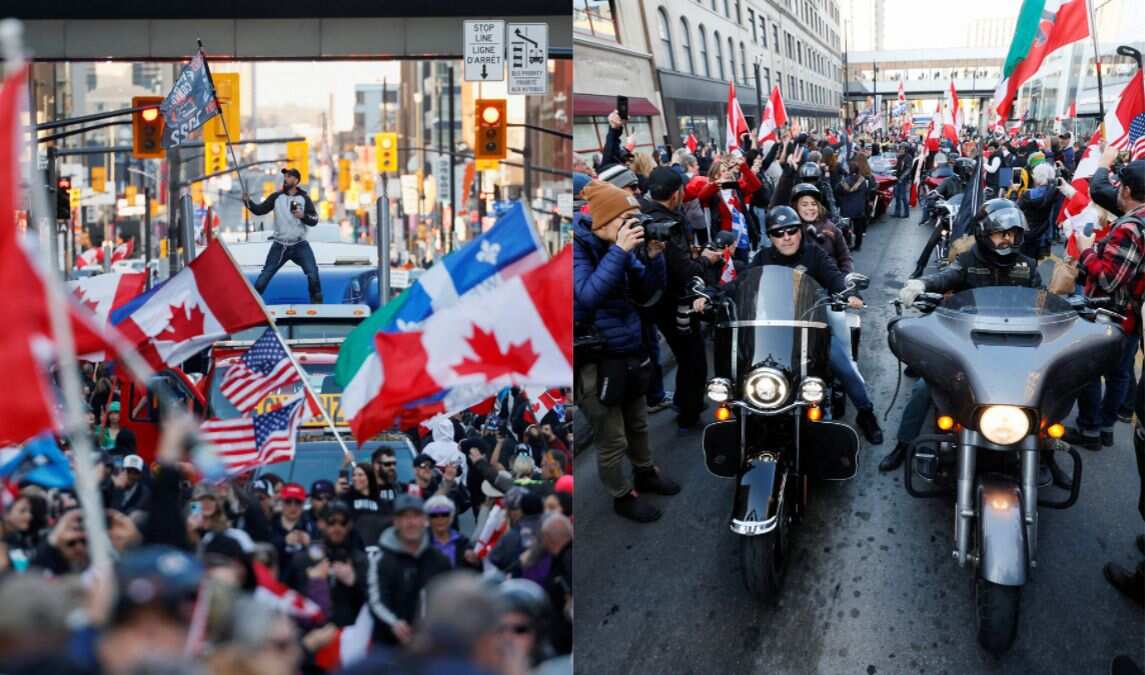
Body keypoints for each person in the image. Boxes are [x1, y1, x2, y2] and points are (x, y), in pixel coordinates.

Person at [884, 200, 1051, 478]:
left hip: (1016, 349)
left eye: (1013, 233)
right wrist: (922, 284)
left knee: (1044, 393)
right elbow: (947, 276)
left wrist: (1067, 306)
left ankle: (1047, 456)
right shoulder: (968, 261)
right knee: (924, 389)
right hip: (970, 347)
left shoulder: (1027, 266)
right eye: (1001, 233)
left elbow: (1044, 300)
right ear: (986, 234)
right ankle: (903, 444)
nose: (1007, 239)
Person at [716, 206, 884, 444]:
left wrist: (848, 294)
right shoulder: (763, 257)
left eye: (791, 230)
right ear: (771, 237)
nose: (786, 237)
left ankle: (866, 413)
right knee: (741, 369)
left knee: (843, 366)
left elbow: (834, 278)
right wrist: (713, 294)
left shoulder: (814, 254)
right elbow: (739, 285)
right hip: (772, 329)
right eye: (778, 233)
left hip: (810, 330)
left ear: (800, 231)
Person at [574, 179, 681, 523]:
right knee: (611, 437)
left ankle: (645, 471)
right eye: (626, 220)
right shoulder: (574, 248)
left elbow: (649, 290)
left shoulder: (616, 243)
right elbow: (586, 297)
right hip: (594, 360)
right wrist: (620, 251)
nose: (632, 228)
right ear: (603, 221)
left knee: (637, 421)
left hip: (627, 349)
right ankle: (621, 494)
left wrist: (652, 257)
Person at [1064, 160, 1145, 451]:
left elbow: (1110, 279)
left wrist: (1086, 251)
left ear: (1125, 190)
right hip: (1133, 316)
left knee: (1088, 371)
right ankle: (1105, 426)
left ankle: (1090, 429)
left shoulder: (1131, 228)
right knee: (1120, 372)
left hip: (1112, 315)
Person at [642, 166, 711, 433]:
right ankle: (688, 413)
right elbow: (684, 270)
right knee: (693, 358)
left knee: (687, 355)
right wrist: (707, 259)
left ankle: (685, 401)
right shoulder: (663, 225)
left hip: (662, 301)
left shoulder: (653, 216)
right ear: (675, 195)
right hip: (673, 302)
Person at [364, 494, 453, 647]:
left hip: (430, 645)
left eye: (416, 516)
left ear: (425, 520)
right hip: (389, 645)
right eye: (404, 517)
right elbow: (375, 600)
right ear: (396, 522)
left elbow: (448, 600)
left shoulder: (439, 560)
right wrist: (395, 624)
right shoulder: (381, 560)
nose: (410, 523)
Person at [243, 167, 322, 303]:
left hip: (300, 244)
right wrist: (248, 202)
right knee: (264, 277)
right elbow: (260, 210)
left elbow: (314, 220)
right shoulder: (276, 197)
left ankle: (317, 303)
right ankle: (251, 303)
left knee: (313, 274)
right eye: (285, 176)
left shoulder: (304, 199)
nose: (285, 178)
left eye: (289, 176)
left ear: (296, 180)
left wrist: (303, 216)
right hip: (280, 245)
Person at [1018, 161, 1058, 259]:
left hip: (1026, 232)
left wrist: (1014, 192)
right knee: (1033, 261)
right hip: (1042, 232)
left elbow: (1015, 209)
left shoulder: (1028, 195)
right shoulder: (1053, 192)